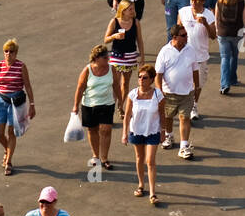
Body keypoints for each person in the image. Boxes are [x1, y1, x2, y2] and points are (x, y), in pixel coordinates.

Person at [0, 38, 35, 176]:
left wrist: (32, 105)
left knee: (11, 132)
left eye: (11, 51)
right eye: (6, 51)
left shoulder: (21, 66)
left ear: (16, 53)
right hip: (1, 101)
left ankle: (9, 162)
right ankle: (8, 149)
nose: (8, 54)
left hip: (16, 103)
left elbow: (28, 86)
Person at [72, 43, 122, 173]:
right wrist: (75, 106)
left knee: (106, 129)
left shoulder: (112, 69)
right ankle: (96, 155)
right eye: (105, 57)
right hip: (89, 104)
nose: (108, 59)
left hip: (107, 103)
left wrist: (121, 102)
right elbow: (80, 88)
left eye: (108, 57)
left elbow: (116, 85)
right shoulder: (87, 70)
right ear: (96, 58)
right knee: (92, 130)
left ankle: (104, 158)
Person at [154, 23, 200, 158]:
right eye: (183, 35)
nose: (187, 37)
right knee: (168, 117)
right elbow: (158, 75)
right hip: (168, 93)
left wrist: (196, 87)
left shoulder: (190, 49)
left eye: (186, 35)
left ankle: (184, 146)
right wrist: (159, 91)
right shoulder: (164, 51)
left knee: (184, 118)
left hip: (187, 93)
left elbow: (195, 69)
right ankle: (169, 135)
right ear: (174, 37)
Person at [122, 63, 166, 204]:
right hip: (137, 131)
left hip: (152, 131)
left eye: (145, 77)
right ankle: (141, 185)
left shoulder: (158, 95)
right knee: (139, 158)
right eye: (139, 77)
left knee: (150, 161)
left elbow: (162, 114)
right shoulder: (133, 94)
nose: (141, 80)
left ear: (152, 79)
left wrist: (163, 131)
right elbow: (127, 115)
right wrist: (124, 133)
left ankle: (152, 193)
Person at [178, 0, 217, 120]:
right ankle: (186, 107)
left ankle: (194, 105)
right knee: (184, 82)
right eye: (192, 0)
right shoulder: (183, 12)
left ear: (203, 1)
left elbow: (213, 36)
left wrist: (205, 23)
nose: (194, 3)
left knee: (198, 85)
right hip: (183, 55)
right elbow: (177, 31)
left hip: (200, 56)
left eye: (197, 0)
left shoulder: (209, 15)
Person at [104, 0, 146, 109]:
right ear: (123, 10)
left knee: (125, 84)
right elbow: (106, 39)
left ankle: (120, 106)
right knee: (115, 84)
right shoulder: (114, 22)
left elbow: (139, 40)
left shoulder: (136, 22)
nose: (133, 11)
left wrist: (142, 56)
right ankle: (111, 107)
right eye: (130, 9)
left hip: (130, 56)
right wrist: (114, 36)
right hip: (117, 56)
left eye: (133, 9)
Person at [215, 0, 245, 95]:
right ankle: (233, 79)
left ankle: (224, 84)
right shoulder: (241, 2)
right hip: (236, 34)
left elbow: (216, 18)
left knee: (224, 57)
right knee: (234, 56)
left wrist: (217, 30)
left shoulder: (219, 1)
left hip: (223, 34)